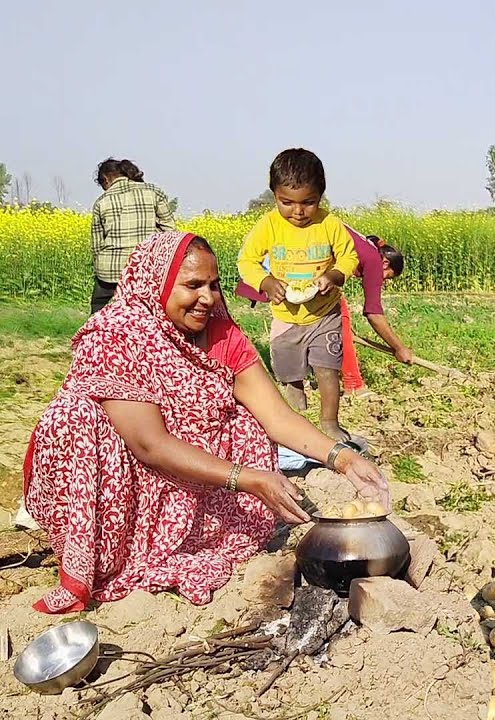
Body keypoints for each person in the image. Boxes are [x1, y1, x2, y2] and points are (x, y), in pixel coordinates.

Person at [23, 232, 388, 614]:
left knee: (243, 418)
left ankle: (199, 535)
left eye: (213, 285)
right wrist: (249, 478)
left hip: (191, 467)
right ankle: (113, 550)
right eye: (193, 285)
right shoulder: (117, 336)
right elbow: (151, 444)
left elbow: (276, 416)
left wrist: (344, 459)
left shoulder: (221, 333)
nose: (208, 298)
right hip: (128, 470)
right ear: (156, 284)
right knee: (76, 418)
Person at [236, 149, 359, 440]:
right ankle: (296, 416)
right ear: (274, 195)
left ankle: (329, 422)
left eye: (309, 202)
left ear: (321, 196)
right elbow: (246, 261)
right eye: (286, 203)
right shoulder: (268, 225)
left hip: (324, 313)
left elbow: (348, 257)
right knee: (289, 374)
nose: (298, 211)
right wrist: (265, 282)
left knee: (327, 369)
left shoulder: (329, 224)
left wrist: (334, 275)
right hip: (285, 316)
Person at [239, 227, 413, 398]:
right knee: (333, 316)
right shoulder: (373, 258)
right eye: (386, 276)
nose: (381, 280)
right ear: (385, 263)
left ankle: (298, 377)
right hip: (292, 266)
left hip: (291, 262)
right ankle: (352, 383)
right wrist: (399, 348)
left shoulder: (360, 245)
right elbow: (373, 312)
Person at [90, 158, 176, 313]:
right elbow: (170, 231)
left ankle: (96, 334)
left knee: (98, 311)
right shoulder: (153, 191)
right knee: (147, 312)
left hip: (109, 272)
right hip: (144, 268)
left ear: (106, 179)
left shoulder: (101, 201)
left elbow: (96, 246)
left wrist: (99, 266)